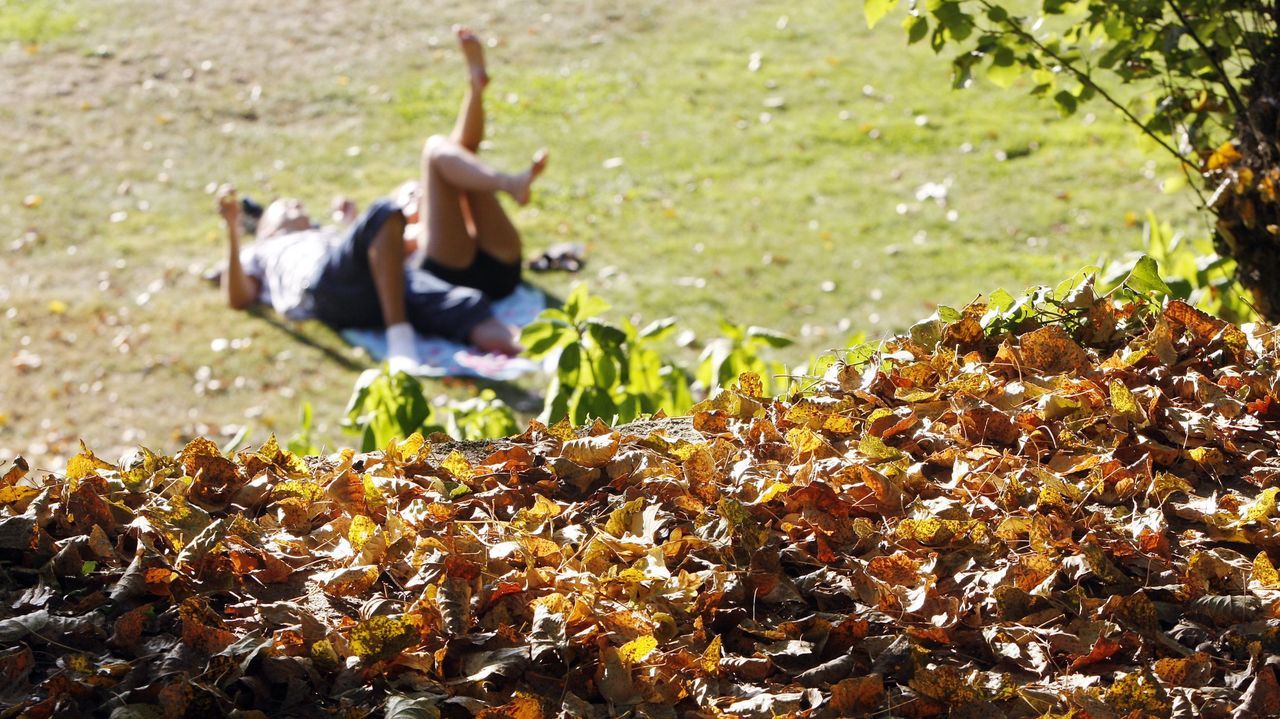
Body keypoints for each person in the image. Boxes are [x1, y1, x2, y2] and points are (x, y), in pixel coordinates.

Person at [217, 27, 547, 372]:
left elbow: (369, 257)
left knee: (460, 304)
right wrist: (231, 231)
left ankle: (535, 354)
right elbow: (239, 298)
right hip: (321, 286)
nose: (294, 205)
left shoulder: (325, 235)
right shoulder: (263, 251)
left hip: (377, 283)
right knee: (386, 210)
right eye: (284, 207)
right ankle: (399, 338)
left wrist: (349, 226)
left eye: (297, 204)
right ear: (266, 228)